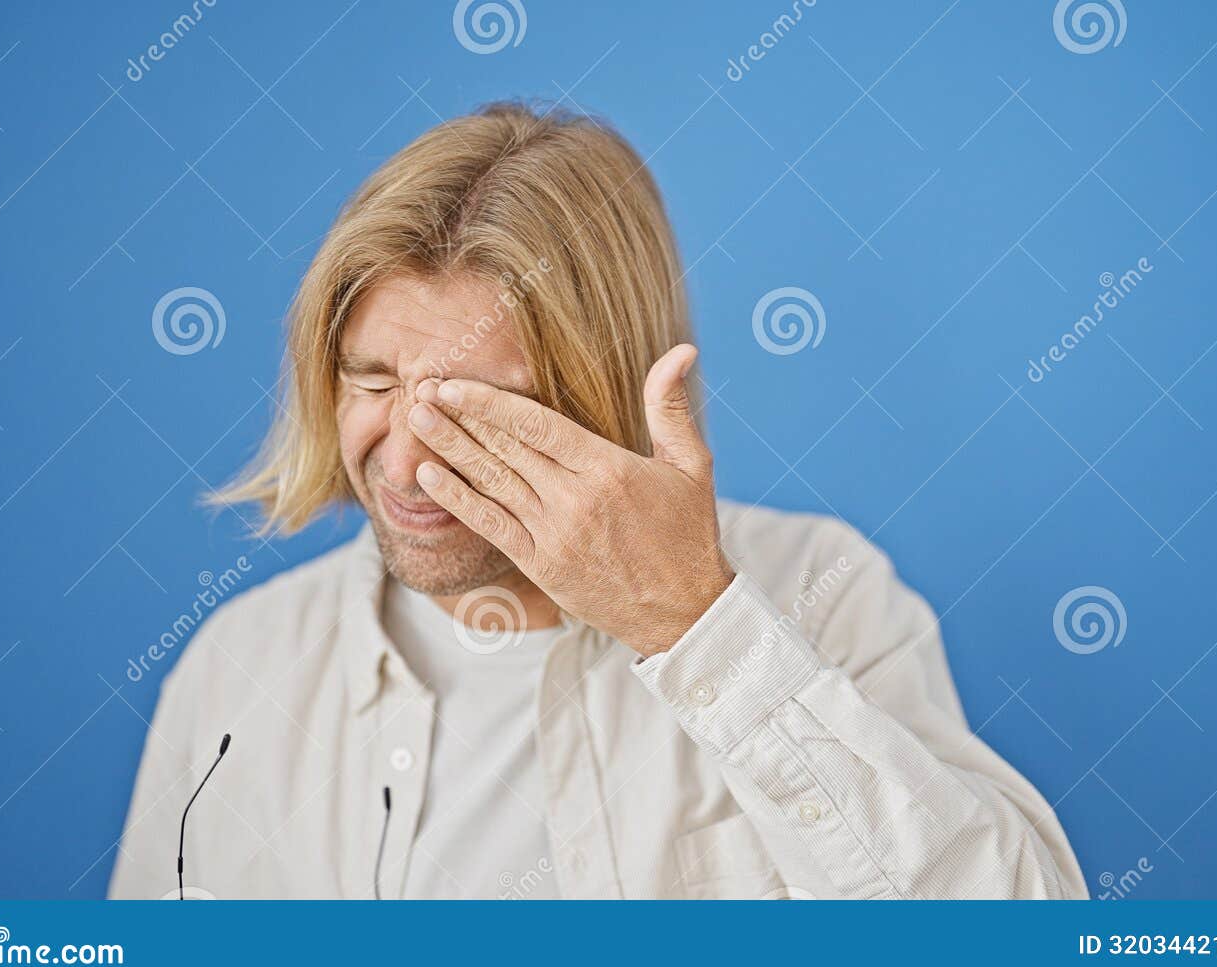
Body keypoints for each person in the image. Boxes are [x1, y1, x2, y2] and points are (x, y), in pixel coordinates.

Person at [108, 102, 1085, 900]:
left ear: (609, 395)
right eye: (370, 383)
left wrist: (694, 623)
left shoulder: (824, 594)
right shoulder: (239, 666)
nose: (404, 462)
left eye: (477, 410)